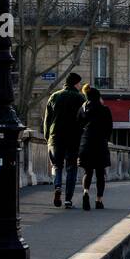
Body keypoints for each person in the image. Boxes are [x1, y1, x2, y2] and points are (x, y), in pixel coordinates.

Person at [43, 73, 85, 208]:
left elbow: (47, 120)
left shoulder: (54, 96)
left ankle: (57, 186)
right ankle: (68, 200)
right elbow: (84, 120)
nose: (80, 86)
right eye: (79, 84)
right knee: (71, 168)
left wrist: (47, 137)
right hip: (73, 138)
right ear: (75, 83)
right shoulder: (80, 98)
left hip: (56, 137)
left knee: (57, 166)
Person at [77, 84, 113, 210]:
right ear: (98, 97)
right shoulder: (105, 110)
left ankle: (86, 192)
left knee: (88, 172)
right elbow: (109, 128)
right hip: (100, 144)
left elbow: (77, 127)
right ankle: (98, 200)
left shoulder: (82, 110)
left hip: (86, 143)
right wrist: (105, 139)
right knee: (100, 173)